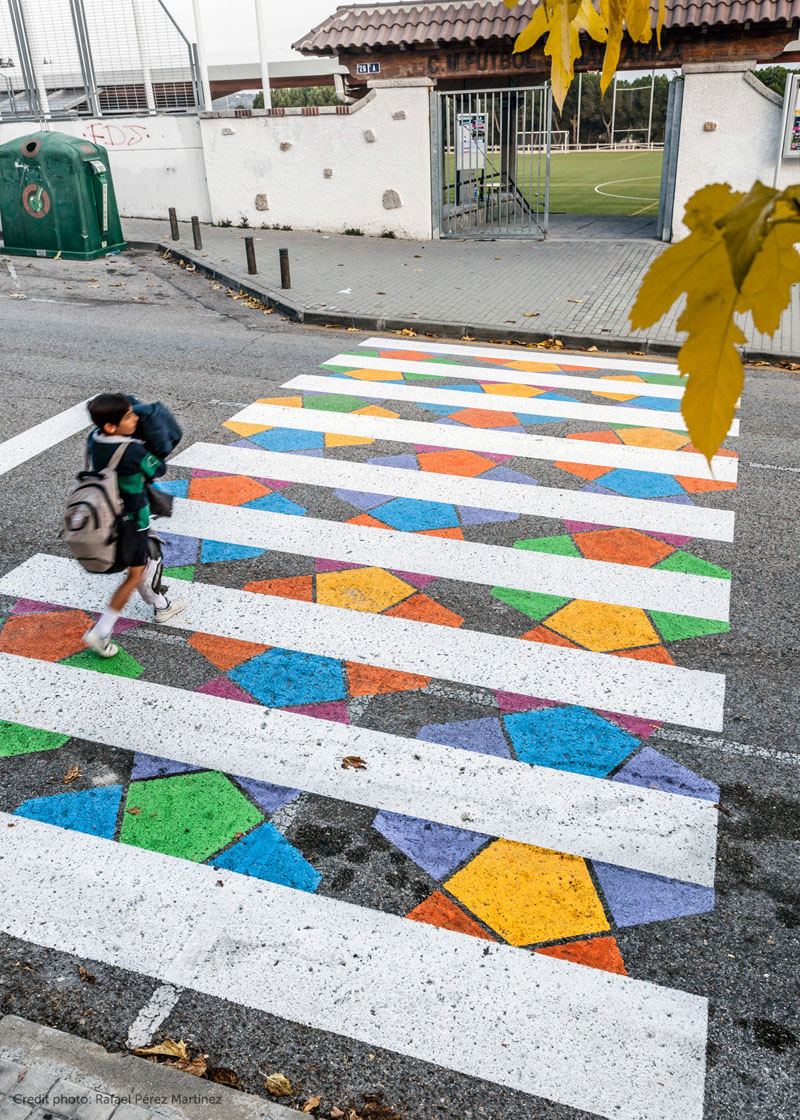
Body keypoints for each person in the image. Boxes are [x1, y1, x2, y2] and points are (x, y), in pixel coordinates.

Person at [81, 393, 186, 658]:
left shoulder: (95, 439)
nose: (136, 418)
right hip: (133, 521)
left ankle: (161, 603)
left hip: (109, 512)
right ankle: (102, 630)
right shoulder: (133, 451)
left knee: (147, 561)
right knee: (136, 574)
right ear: (110, 426)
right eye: (129, 416)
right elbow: (157, 468)